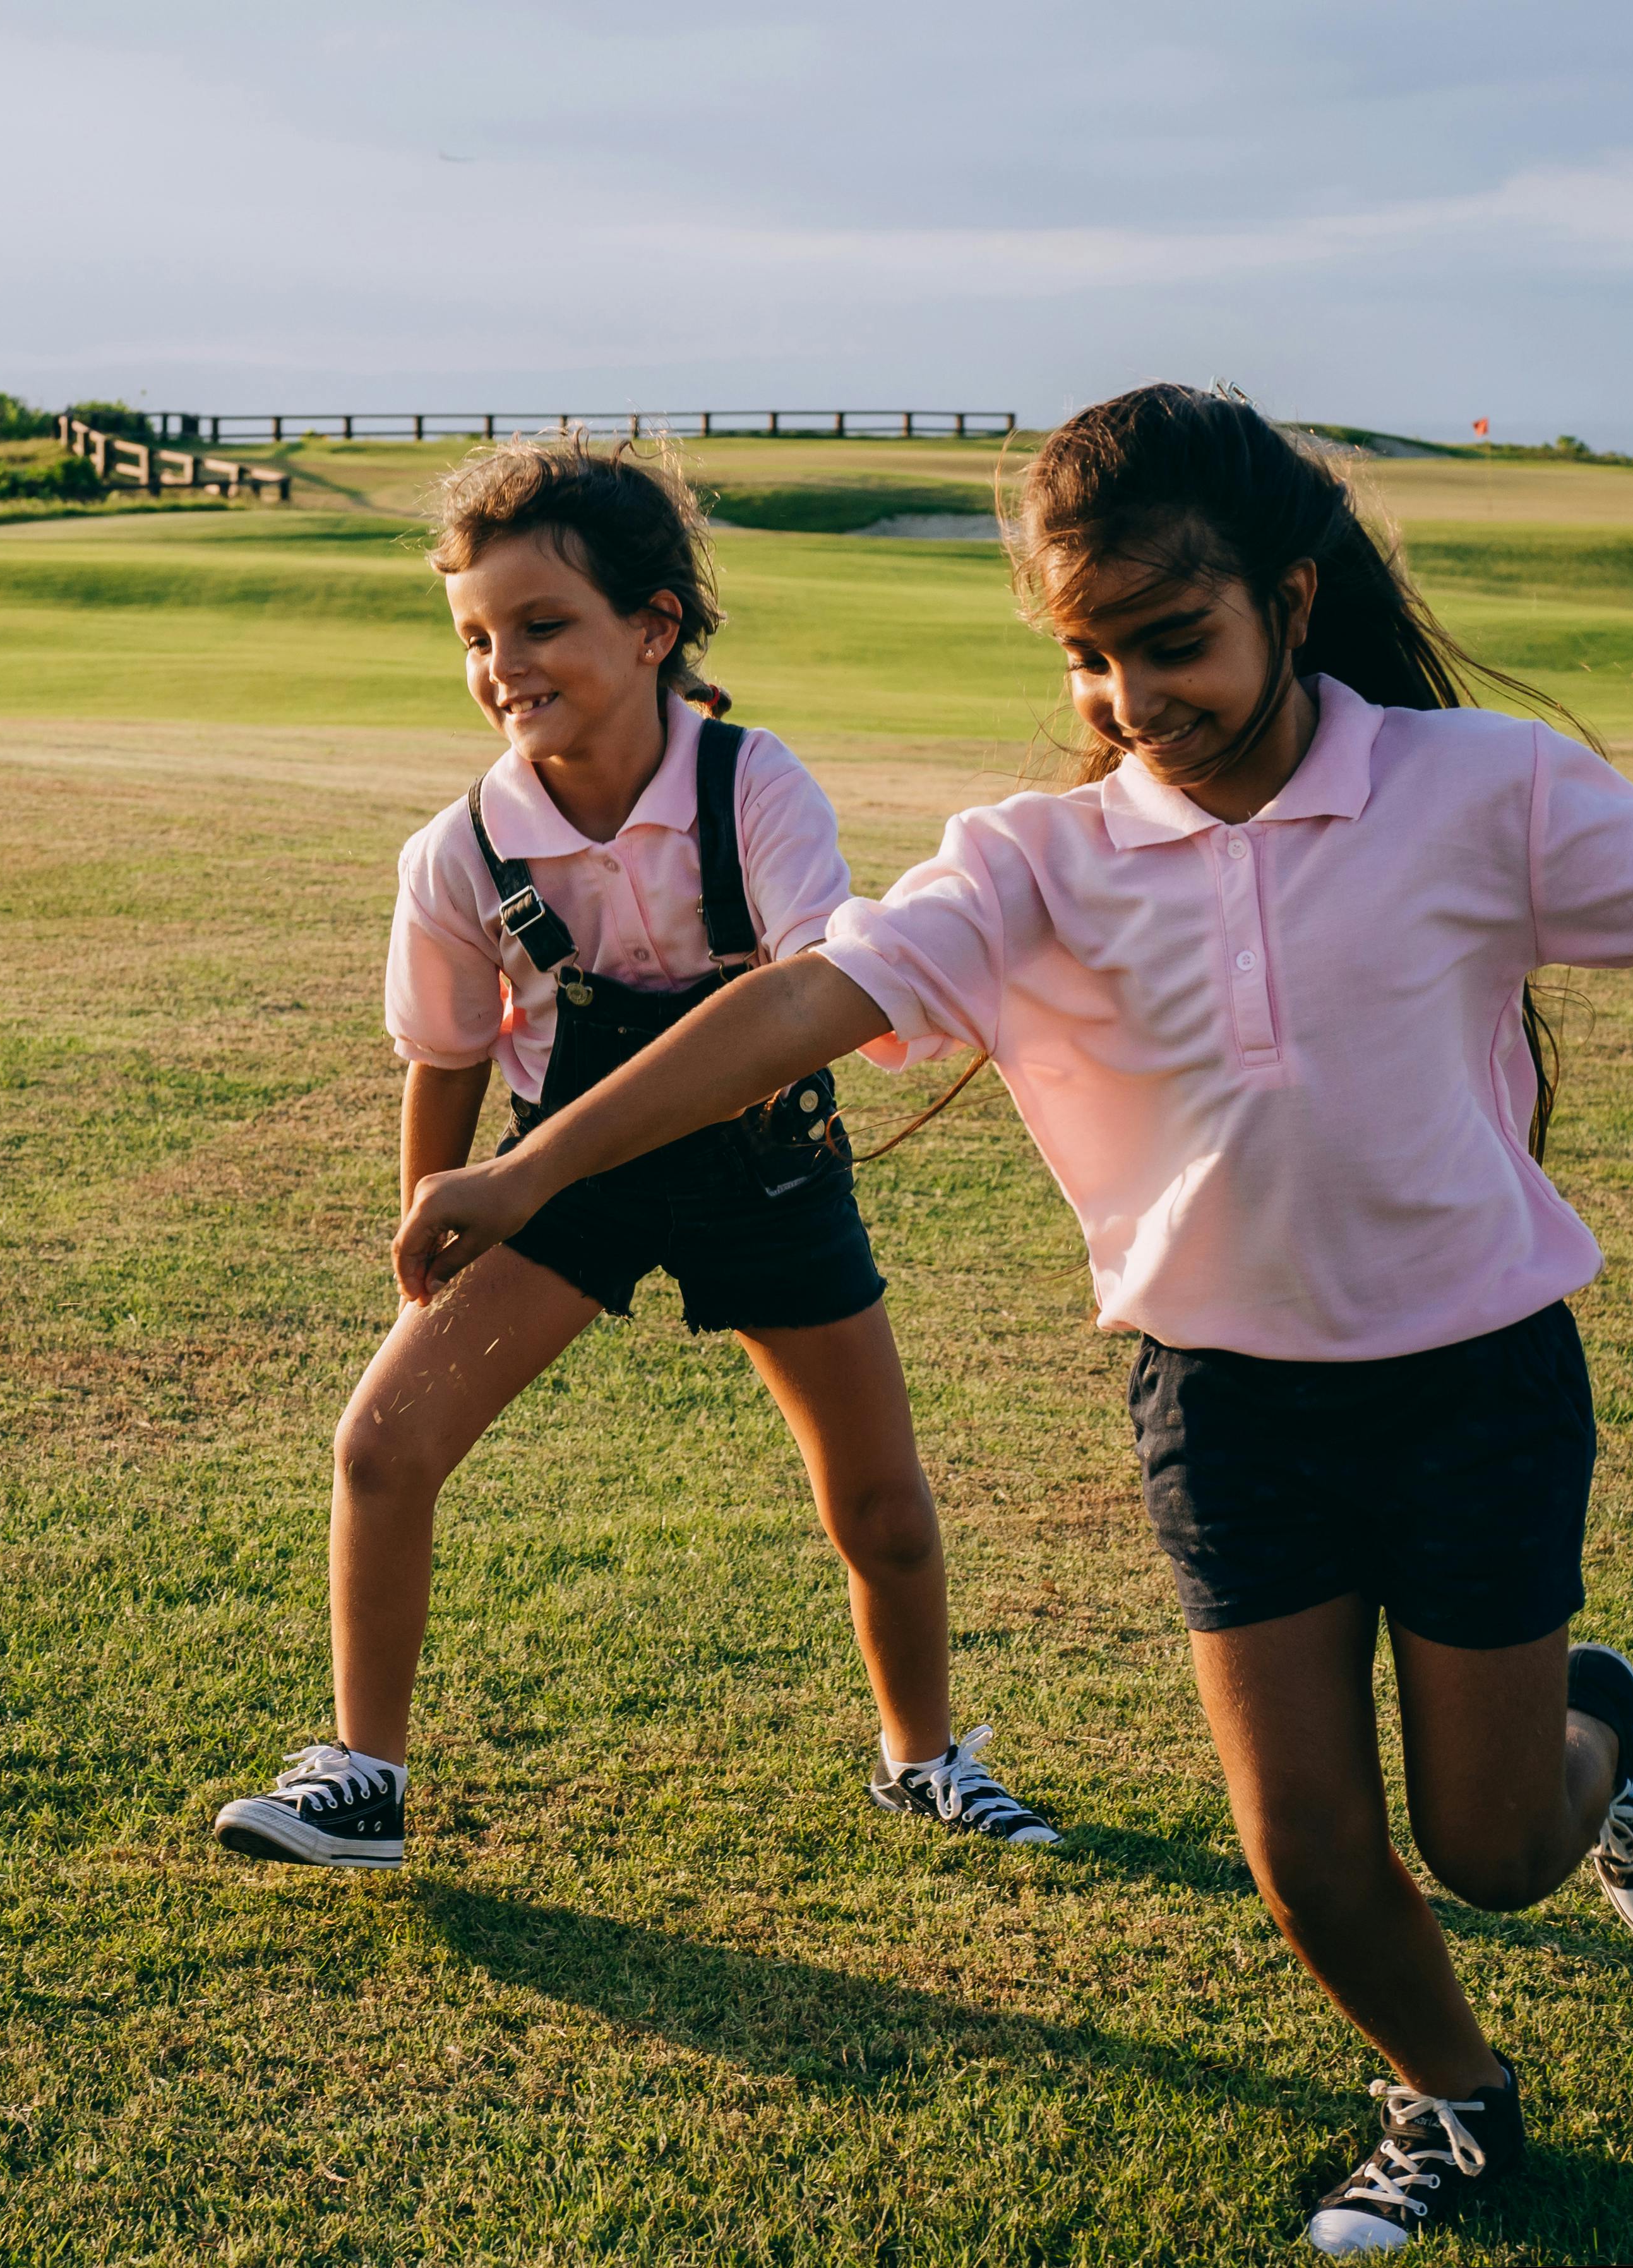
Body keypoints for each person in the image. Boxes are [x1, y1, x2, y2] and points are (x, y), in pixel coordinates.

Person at [388, 387, 1633, 2253]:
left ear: (1286, 597)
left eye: (1171, 641)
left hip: (1474, 1378)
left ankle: (1593, 1732)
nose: (1130, 698)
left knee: (1494, 1849)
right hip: (1222, 1398)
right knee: (1301, 1852)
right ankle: (1450, 2100)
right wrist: (536, 1168)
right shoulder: (1034, 862)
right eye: (1088, 655)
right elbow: (799, 1005)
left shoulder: (1474, 786)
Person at [210, 435, 1055, 1872]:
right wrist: (430, 1227)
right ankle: (366, 1772)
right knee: (381, 1443)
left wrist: (522, 1172)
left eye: (544, 625)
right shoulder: (462, 849)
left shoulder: (755, 784)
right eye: (477, 636)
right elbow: (451, 1053)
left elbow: (805, 1002)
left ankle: (923, 1757)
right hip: (560, 1184)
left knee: (882, 1506)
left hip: (769, 1169)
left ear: (656, 626)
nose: (503, 666)